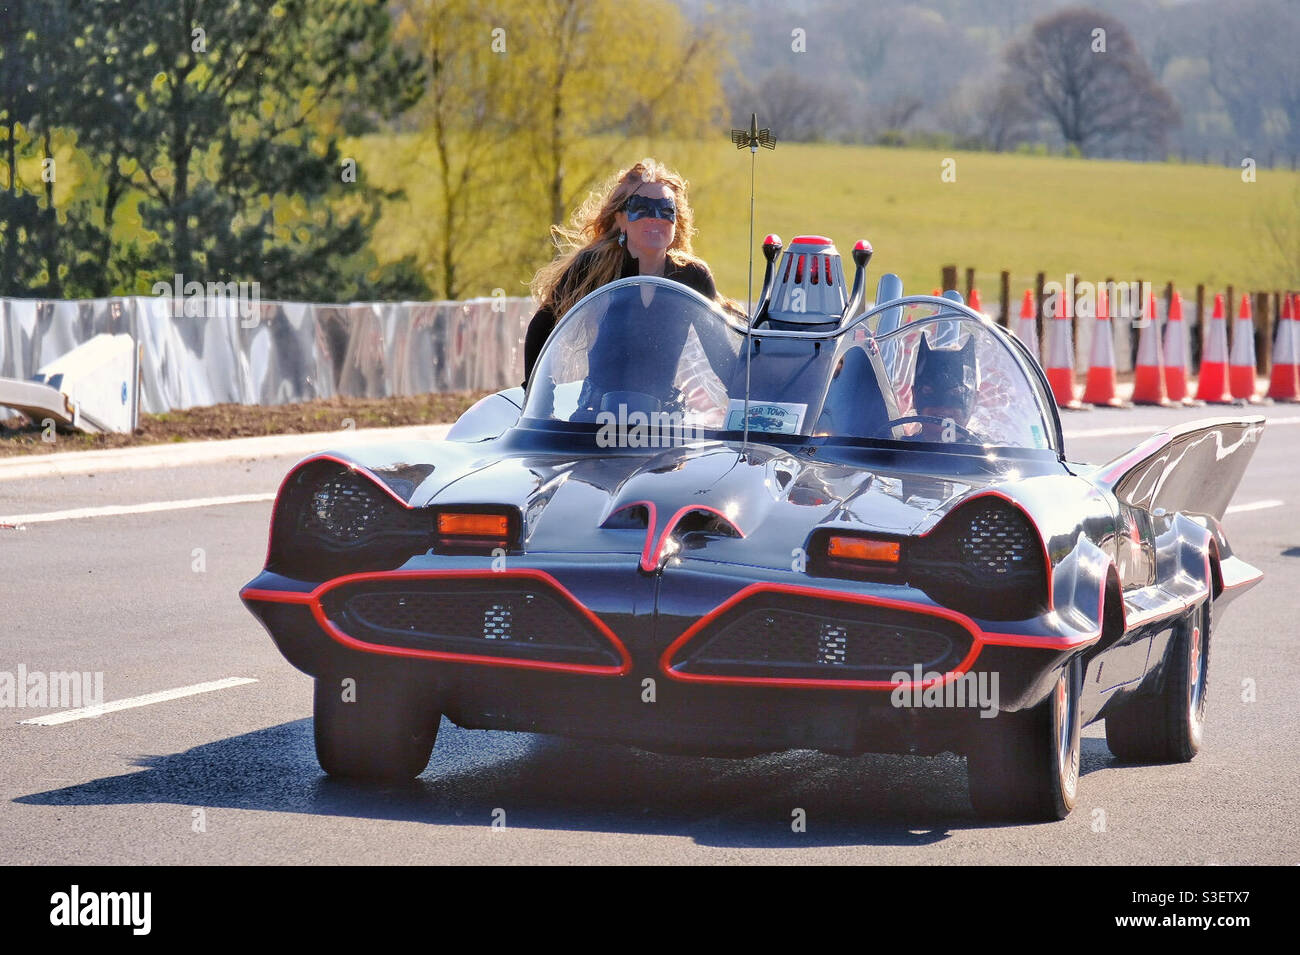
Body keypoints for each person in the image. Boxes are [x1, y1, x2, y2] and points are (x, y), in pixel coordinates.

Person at [523, 158, 719, 388]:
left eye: (666, 210)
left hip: (664, 416)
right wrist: (540, 394)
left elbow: (720, 353)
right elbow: (542, 326)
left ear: (676, 221)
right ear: (620, 220)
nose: (655, 217)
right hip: (596, 413)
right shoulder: (593, 266)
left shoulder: (693, 276)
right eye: (641, 208)